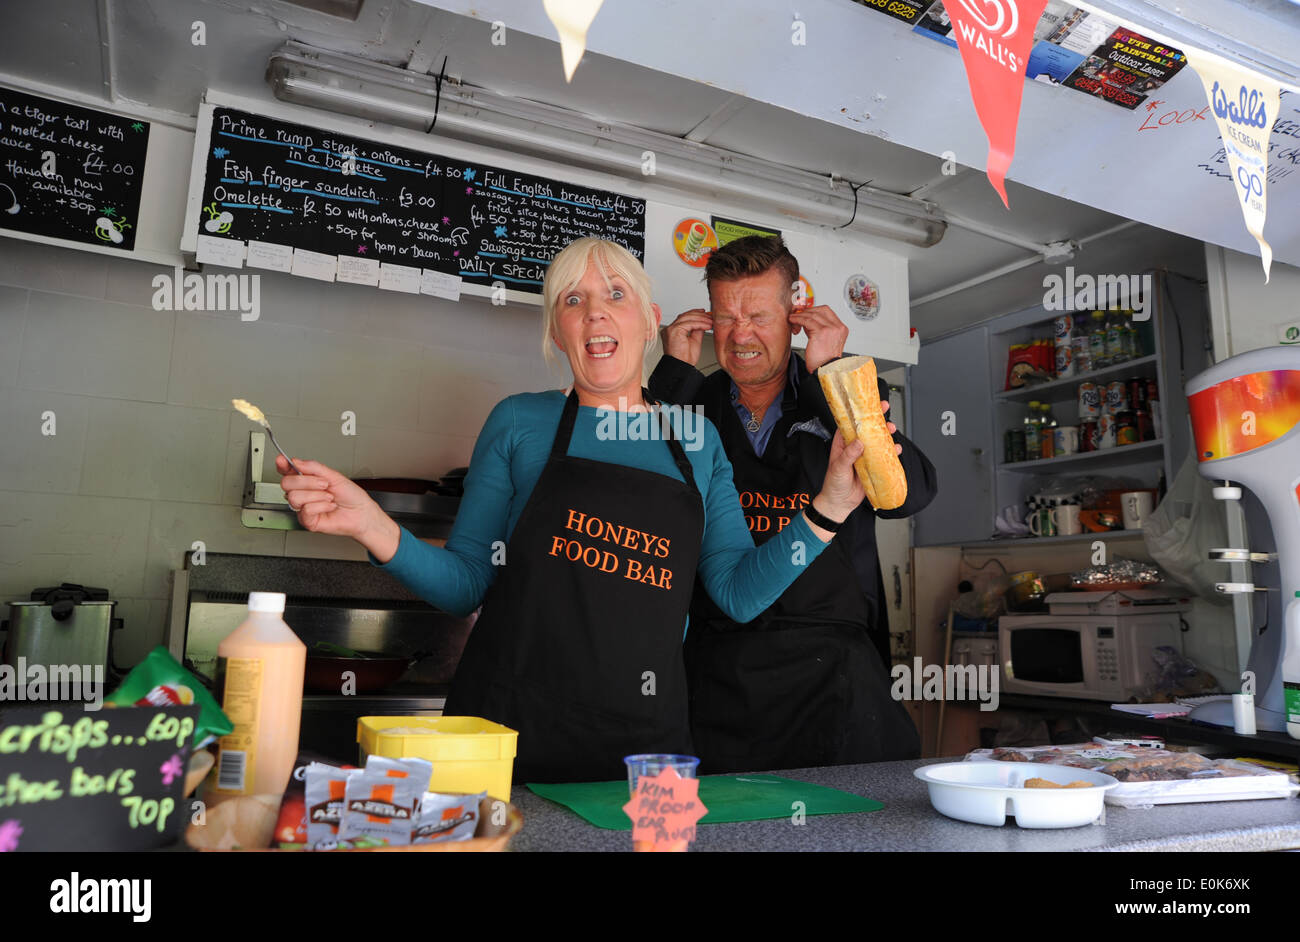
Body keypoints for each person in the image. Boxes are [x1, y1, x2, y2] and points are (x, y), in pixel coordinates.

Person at [277, 237, 870, 783]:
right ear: (559, 332)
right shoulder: (519, 422)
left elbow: (739, 593)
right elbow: (465, 586)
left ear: (649, 323)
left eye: (616, 295)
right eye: (573, 299)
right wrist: (372, 526)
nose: (595, 312)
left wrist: (829, 508)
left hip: (649, 748)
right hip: (503, 733)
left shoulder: (696, 439)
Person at [649, 235, 937, 773]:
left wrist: (832, 377)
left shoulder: (835, 390)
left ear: (794, 314)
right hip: (718, 668)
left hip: (832, 668)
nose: (741, 335)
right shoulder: (693, 401)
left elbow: (910, 493)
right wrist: (670, 385)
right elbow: (640, 506)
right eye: (726, 316)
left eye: (758, 315)